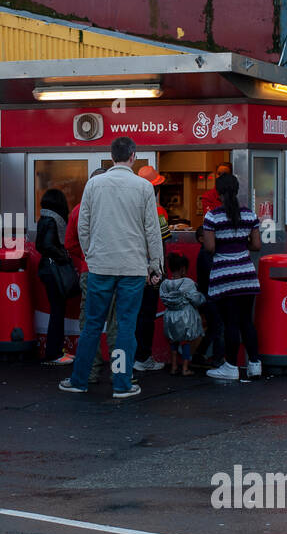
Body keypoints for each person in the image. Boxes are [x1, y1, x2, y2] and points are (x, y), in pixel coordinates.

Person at [61, 137, 163, 399]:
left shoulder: (94, 185)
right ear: (133, 156)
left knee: (92, 325)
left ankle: (80, 380)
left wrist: (91, 254)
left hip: (99, 266)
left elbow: (83, 226)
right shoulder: (143, 188)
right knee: (126, 327)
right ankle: (121, 383)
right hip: (133, 268)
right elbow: (152, 231)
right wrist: (155, 265)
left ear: (111, 156)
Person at [201, 172, 262, 381]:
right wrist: (240, 244)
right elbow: (256, 245)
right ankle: (255, 364)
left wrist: (223, 243)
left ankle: (231, 366)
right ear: (236, 190)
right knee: (247, 321)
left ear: (218, 193)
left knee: (231, 323)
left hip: (225, 277)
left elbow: (209, 247)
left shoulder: (212, 217)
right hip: (247, 275)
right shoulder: (249, 215)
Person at [66, 170, 114, 384]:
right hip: (118, 271)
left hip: (91, 271)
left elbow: (70, 244)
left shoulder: (78, 210)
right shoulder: (118, 210)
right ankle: (119, 373)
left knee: (89, 325)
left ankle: (90, 372)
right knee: (117, 324)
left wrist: (87, 256)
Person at [134, 165, 169, 372]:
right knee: (147, 315)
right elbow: (163, 242)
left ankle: (132, 357)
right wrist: (161, 269)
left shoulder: (130, 208)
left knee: (132, 315)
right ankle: (143, 357)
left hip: (131, 270)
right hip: (151, 272)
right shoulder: (158, 211)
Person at [35, 188, 74, 366]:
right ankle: (54, 353)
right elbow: (47, 245)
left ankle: (55, 351)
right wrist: (64, 256)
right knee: (58, 310)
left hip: (47, 270)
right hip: (53, 270)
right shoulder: (53, 220)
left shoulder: (44, 218)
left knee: (57, 309)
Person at [159, 252, 206, 376]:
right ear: (183, 269)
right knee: (186, 341)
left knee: (173, 341)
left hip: (170, 316)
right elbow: (196, 299)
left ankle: (174, 366)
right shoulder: (188, 283)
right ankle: (185, 368)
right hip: (185, 316)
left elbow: (163, 299)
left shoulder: (164, 284)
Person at [189, 225, 225, 371]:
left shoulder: (205, 253)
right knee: (218, 328)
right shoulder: (206, 254)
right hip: (211, 297)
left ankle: (199, 354)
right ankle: (218, 359)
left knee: (212, 328)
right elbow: (212, 276)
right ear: (201, 239)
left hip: (207, 296)